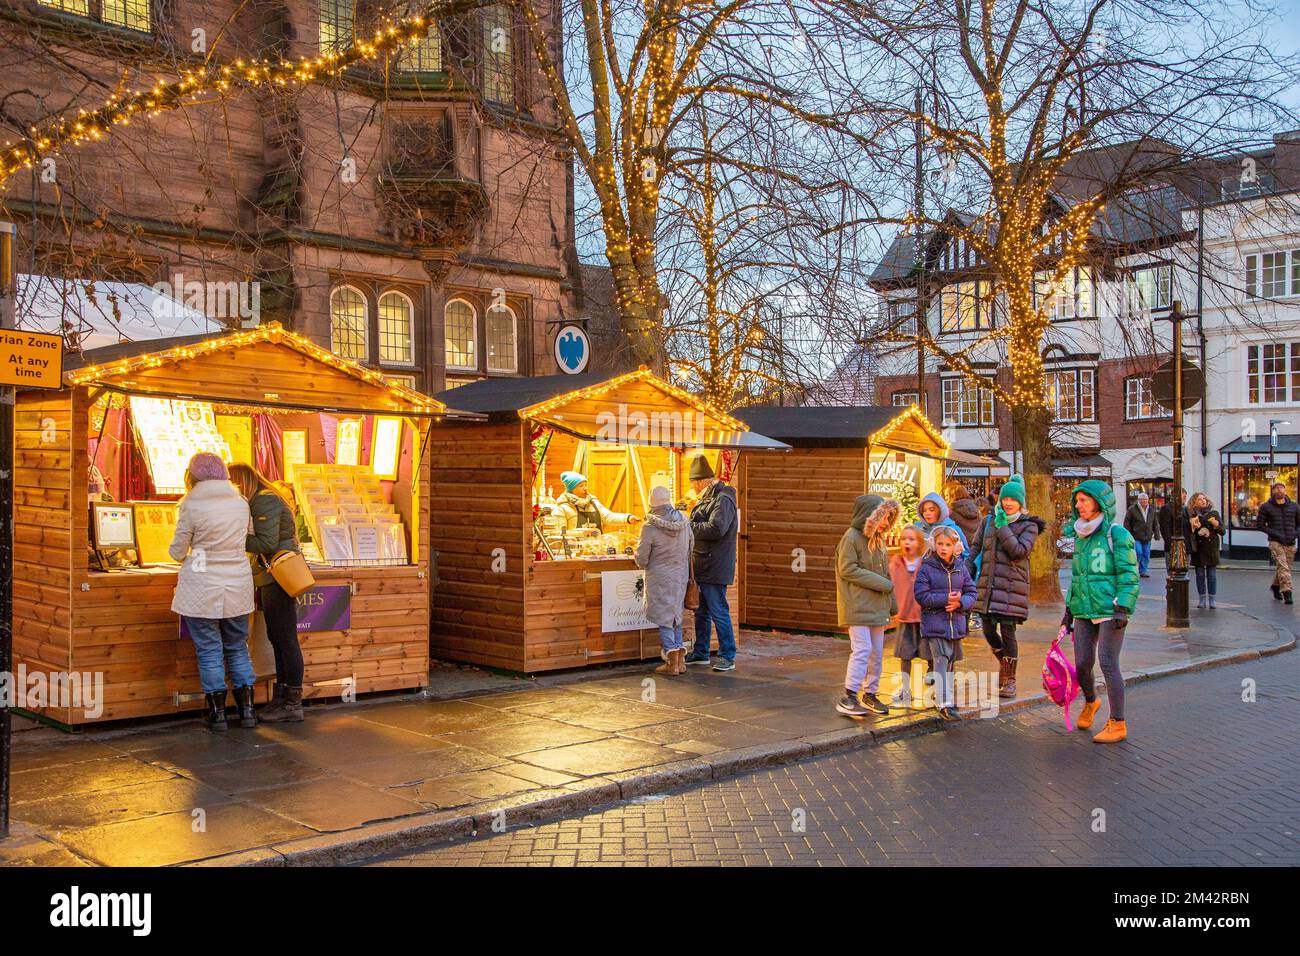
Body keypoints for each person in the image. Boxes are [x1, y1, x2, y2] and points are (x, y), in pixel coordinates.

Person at [168, 453, 257, 732]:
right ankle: (248, 711)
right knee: (238, 647)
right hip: (237, 585)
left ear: (192, 476)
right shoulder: (240, 502)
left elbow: (177, 550)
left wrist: (184, 554)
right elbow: (247, 536)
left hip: (202, 587)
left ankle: (217, 714)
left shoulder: (190, 504)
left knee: (209, 650)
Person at [1064, 480, 1139, 744]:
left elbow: (1129, 573)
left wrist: (1123, 607)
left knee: (1108, 663)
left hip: (1110, 609)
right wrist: (1069, 610)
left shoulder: (1116, 534)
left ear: (1099, 502)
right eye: (1077, 500)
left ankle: (1117, 723)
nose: (1078, 504)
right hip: (1084, 609)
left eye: (1084, 499)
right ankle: (1091, 701)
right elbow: (1078, 576)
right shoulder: (1080, 535)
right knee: (1083, 664)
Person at [230, 463, 305, 722]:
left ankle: (291, 703)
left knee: (284, 639)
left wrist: (230, 536)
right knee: (278, 638)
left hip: (279, 575)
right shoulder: (266, 498)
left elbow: (266, 542)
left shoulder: (264, 500)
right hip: (272, 575)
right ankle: (283, 699)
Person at [968, 474, 1046, 698]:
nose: (1008, 503)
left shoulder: (1028, 525)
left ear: (1021, 502)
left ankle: (1010, 679)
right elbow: (976, 549)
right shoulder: (988, 520)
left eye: (1013, 500)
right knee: (988, 630)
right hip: (988, 585)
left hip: (1012, 587)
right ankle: (1006, 664)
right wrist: (965, 574)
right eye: (1005, 499)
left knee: (1007, 632)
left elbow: (1019, 551)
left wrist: (1003, 527)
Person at [835, 495, 900, 718]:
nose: (885, 522)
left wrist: (892, 605)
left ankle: (870, 693)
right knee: (862, 650)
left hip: (876, 607)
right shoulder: (851, 538)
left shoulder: (878, 540)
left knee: (877, 653)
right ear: (869, 516)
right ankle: (849, 695)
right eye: (881, 517)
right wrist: (884, 585)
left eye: (888, 518)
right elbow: (847, 568)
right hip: (857, 605)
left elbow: (886, 574)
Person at [913, 526, 977, 721]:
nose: (943, 548)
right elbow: (921, 595)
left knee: (950, 661)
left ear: (955, 547)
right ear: (933, 544)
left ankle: (944, 696)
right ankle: (943, 701)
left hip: (955, 623)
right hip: (935, 622)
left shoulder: (960, 567)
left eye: (948, 544)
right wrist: (945, 599)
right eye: (940, 544)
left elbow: (972, 592)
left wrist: (960, 603)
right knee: (940, 658)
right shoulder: (927, 567)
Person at [684, 455, 739, 671]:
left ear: (702, 481)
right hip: (704, 563)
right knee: (702, 611)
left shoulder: (723, 498)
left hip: (714, 564)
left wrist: (689, 526)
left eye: (693, 483)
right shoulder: (710, 497)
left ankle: (727, 655)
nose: (693, 488)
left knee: (718, 610)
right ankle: (701, 652)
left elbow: (717, 528)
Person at [635, 485, 693, 675]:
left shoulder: (649, 527)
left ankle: (671, 662)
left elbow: (642, 559)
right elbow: (691, 548)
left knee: (665, 619)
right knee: (676, 616)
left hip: (659, 578)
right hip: (680, 576)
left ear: (652, 503)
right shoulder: (685, 523)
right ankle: (680, 661)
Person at [888, 525, 926, 708]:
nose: (907, 542)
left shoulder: (925, 563)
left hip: (924, 617)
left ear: (919, 543)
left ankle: (934, 687)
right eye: (904, 539)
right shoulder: (895, 563)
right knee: (905, 655)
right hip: (904, 616)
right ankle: (905, 688)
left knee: (930, 654)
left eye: (911, 539)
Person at [1257, 481, 1300, 605]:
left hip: (1291, 541)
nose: (1279, 490)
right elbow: (1260, 525)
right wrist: (1274, 533)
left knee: (1285, 567)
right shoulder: (1266, 507)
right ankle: (1287, 593)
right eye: (1276, 488)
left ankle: (1276, 586)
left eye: (1281, 488)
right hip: (1275, 541)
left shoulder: (1294, 506)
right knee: (1283, 566)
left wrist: (1296, 534)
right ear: (1273, 491)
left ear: (1285, 491)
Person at [555, 471, 640, 532]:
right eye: (581, 486)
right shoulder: (562, 508)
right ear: (572, 489)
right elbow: (560, 535)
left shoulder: (593, 502)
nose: (585, 488)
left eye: (585, 485)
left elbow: (608, 517)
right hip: (575, 553)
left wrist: (628, 518)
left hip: (596, 550)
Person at [1187, 492, 1225, 609]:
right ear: (1194, 502)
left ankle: (1212, 599)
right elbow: (1188, 532)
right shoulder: (1192, 515)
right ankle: (1202, 599)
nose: (1203, 501)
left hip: (1211, 548)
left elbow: (1222, 531)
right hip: (1198, 549)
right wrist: (1196, 530)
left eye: (1204, 499)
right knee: (1199, 575)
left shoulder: (1214, 513)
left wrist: (1215, 525)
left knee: (1212, 575)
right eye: (1199, 499)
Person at [1123, 491, 1159, 578]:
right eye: (1142, 500)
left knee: (1146, 554)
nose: (1144, 502)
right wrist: (1127, 535)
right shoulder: (1132, 509)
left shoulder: (1152, 510)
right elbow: (1127, 523)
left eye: (1146, 500)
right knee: (1138, 552)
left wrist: (1157, 534)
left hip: (1148, 536)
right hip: (1136, 536)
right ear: (1138, 500)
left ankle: (1143, 571)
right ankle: (1135, 569)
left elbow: (1155, 523)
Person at [1157, 489, 1190, 570]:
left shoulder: (1185, 509)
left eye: (1185, 496)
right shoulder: (1166, 508)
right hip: (1173, 546)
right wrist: (1171, 545)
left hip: (1186, 546)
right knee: (1173, 572)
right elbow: (1165, 529)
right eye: (1183, 496)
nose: (1185, 498)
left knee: (1185, 571)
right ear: (1175, 496)